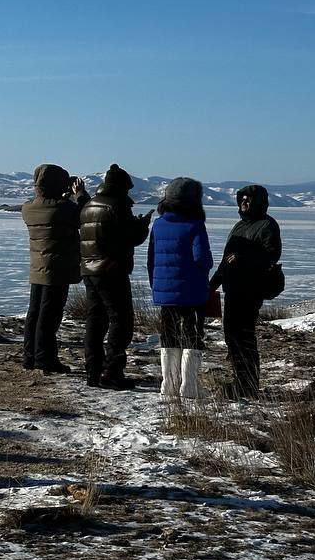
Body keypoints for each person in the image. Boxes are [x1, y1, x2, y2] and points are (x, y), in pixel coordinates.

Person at [80, 164, 152, 389]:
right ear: (121, 187)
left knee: (95, 321)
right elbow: (129, 237)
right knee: (120, 320)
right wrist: (142, 226)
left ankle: (93, 371)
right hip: (111, 270)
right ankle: (112, 371)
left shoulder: (89, 205)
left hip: (89, 269)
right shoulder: (118, 205)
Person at [210, 185, 281, 399]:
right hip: (232, 288)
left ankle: (248, 385)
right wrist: (212, 284)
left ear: (259, 202)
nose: (244, 203)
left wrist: (243, 257)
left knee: (244, 337)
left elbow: (271, 255)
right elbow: (226, 259)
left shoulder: (267, 225)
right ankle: (239, 380)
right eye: (242, 199)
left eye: (248, 200)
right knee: (231, 336)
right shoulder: (239, 226)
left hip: (250, 290)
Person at [147, 177, 213, 400]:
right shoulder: (195, 225)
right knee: (192, 336)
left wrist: (157, 285)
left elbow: (150, 260)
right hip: (192, 291)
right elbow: (203, 259)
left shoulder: (158, 224)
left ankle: (169, 383)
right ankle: (189, 386)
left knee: (169, 335)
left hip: (165, 291)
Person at [21, 165, 89, 374]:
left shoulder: (29, 208)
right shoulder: (62, 208)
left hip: (38, 267)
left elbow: (59, 211)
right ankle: (45, 359)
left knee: (34, 312)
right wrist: (80, 194)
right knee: (50, 315)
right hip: (57, 268)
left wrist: (65, 196)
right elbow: (84, 216)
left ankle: (30, 355)